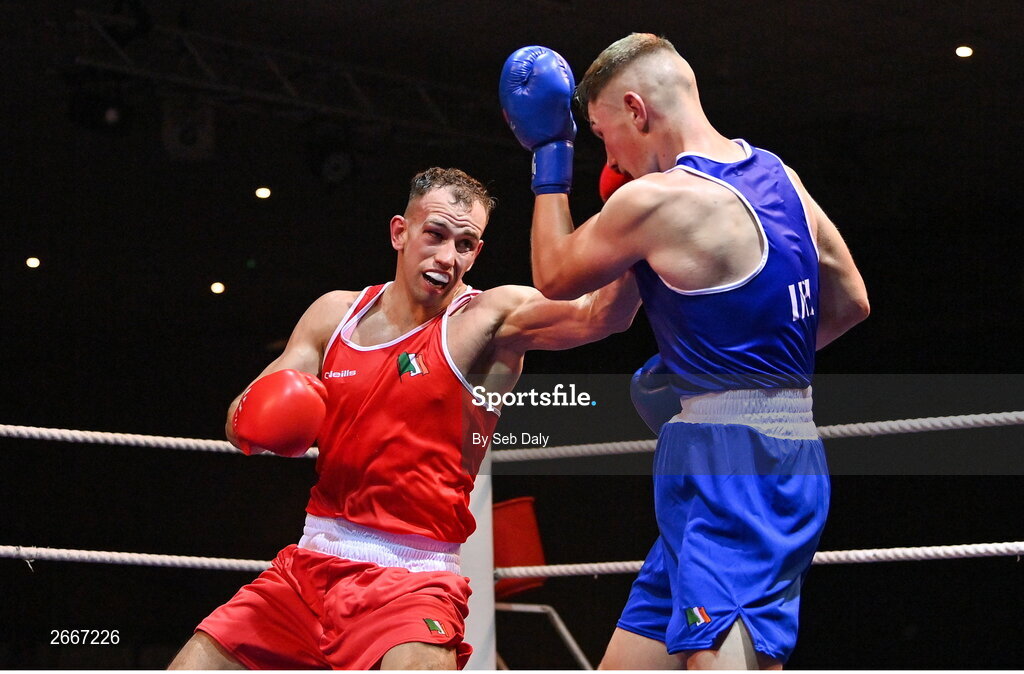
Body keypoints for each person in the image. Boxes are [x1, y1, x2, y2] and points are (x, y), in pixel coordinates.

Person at [167, 167, 639, 670]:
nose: (446, 257)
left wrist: (636, 225)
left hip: (412, 581)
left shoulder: (488, 318)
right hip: (306, 570)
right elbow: (239, 420)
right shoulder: (335, 314)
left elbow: (601, 316)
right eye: (435, 234)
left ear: (476, 253)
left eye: (465, 243)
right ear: (400, 232)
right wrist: (256, 417)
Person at [500, 35, 869, 669]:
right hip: (745, 453)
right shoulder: (781, 176)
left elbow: (556, 274)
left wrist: (549, 155)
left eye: (599, 131)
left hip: (737, 468)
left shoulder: (658, 200)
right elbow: (849, 303)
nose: (606, 153)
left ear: (637, 111)